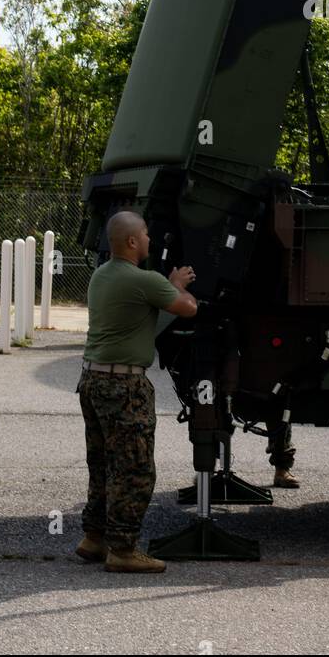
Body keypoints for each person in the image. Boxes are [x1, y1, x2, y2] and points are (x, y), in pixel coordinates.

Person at [75, 210, 197, 573]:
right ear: (131, 241)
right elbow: (187, 308)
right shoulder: (143, 280)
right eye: (144, 233)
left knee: (102, 465)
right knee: (135, 469)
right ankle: (123, 550)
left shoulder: (101, 276)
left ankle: (93, 538)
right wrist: (175, 283)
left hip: (92, 380)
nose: (149, 239)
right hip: (123, 387)